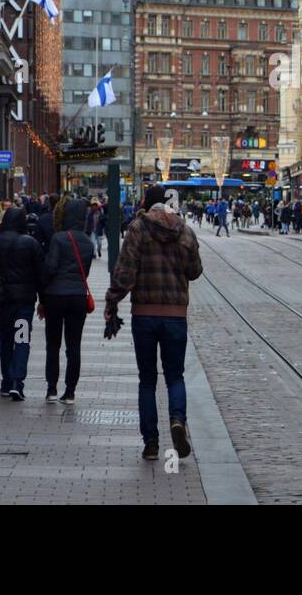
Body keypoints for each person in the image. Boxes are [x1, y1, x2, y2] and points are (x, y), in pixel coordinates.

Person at [106, 185, 204, 462]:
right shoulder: (184, 229)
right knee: (175, 375)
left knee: (147, 379)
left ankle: (150, 443)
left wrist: (112, 300)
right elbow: (195, 271)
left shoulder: (138, 228)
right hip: (175, 315)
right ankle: (177, 420)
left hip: (145, 315)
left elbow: (126, 270)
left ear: (147, 204)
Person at [0, 208, 44, 400]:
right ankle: (18, 381)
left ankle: (6, 382)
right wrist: (43, 301)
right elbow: (40, 273)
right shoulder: (31, 243)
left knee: (6, 340)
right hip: (24, 302)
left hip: (2, 301)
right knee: (22, 340)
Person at [41, 198, 95, 403]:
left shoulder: (59, 238)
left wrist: (43, 289)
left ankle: (51, 388)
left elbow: (51, 267)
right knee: (74, 346)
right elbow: (85, 273)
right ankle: (70, 391)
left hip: (55, 295)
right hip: (77, 297)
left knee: (52, 344)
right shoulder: (88, 242)